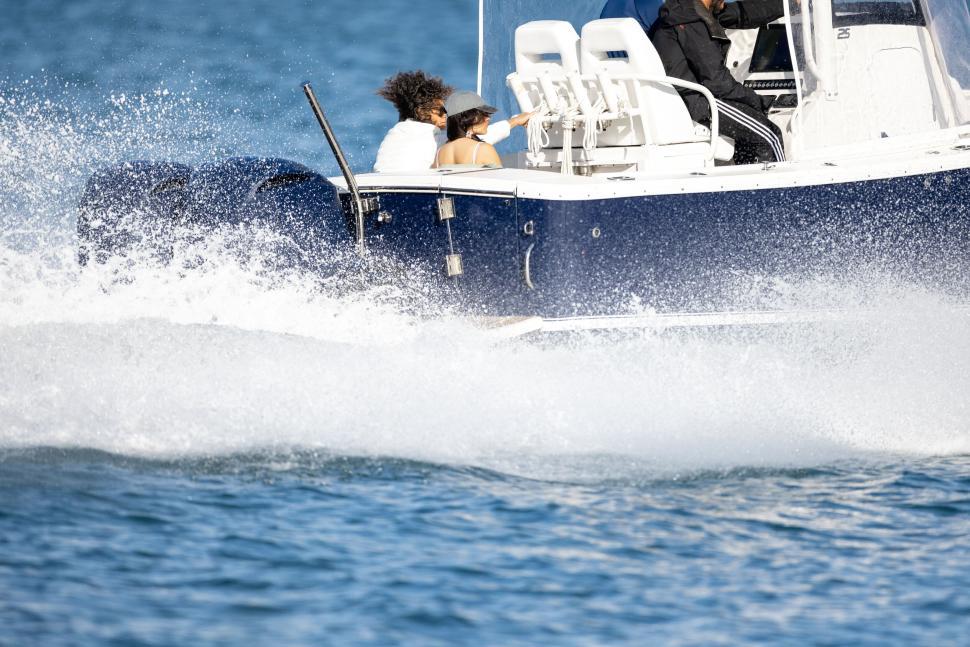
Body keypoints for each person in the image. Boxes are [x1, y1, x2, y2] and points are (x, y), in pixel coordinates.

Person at [641, 0, 787, 163]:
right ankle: (780, 188)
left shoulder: (682, 11)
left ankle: (748, 183)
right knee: (769, 134)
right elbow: (718, 83)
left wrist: (788, 5)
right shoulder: (690, 20)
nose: (725, 2)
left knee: (749, 132)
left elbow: (739, 14)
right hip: (697, 103)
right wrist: (759, 101)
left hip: (682, 99)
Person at [373, 71, 530, 173]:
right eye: (441, 112)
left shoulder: (395, 133)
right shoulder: (432, 136)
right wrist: (514, 121)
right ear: (421, 112)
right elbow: (468, 141)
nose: (446, 116)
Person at [433, 91, 503, 168]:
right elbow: (500, 179)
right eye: (484, 114)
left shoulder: (440, 153)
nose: (488, 118)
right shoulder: (483, 150)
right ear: (471, 118)